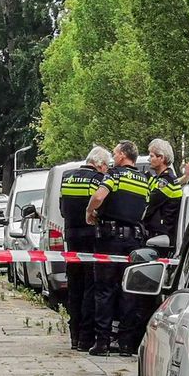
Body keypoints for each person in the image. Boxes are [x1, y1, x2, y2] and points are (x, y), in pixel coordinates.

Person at [85, 140, 150, 356]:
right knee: (128, 292)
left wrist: (89, 211)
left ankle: (102, 343)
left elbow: (98, 196)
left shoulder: (114, 175)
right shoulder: (144, 180)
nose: (113, 157)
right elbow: (144, 210)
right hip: (134, 242)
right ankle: (125, 344)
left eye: (115, 153)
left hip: (109, 240)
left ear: (123, 155)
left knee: (104, 290)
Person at [59, 145, 111, 351]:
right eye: (106, 166)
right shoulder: (97, 180)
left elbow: (62, 209)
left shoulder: (67, 177)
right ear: (99, 164)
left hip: (71, 237)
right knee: (91, 287)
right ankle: (85, 339)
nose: (107, 170)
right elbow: (99, 208)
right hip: (91, 238)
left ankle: (74, 335)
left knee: (74, 287)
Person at [143, 138, 189, 247]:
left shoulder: (166, 181)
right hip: (161, 238)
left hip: (162, 239)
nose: (148, 159)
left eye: (151, 156)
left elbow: (148, 206)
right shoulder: (165, 178)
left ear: (161, 158)